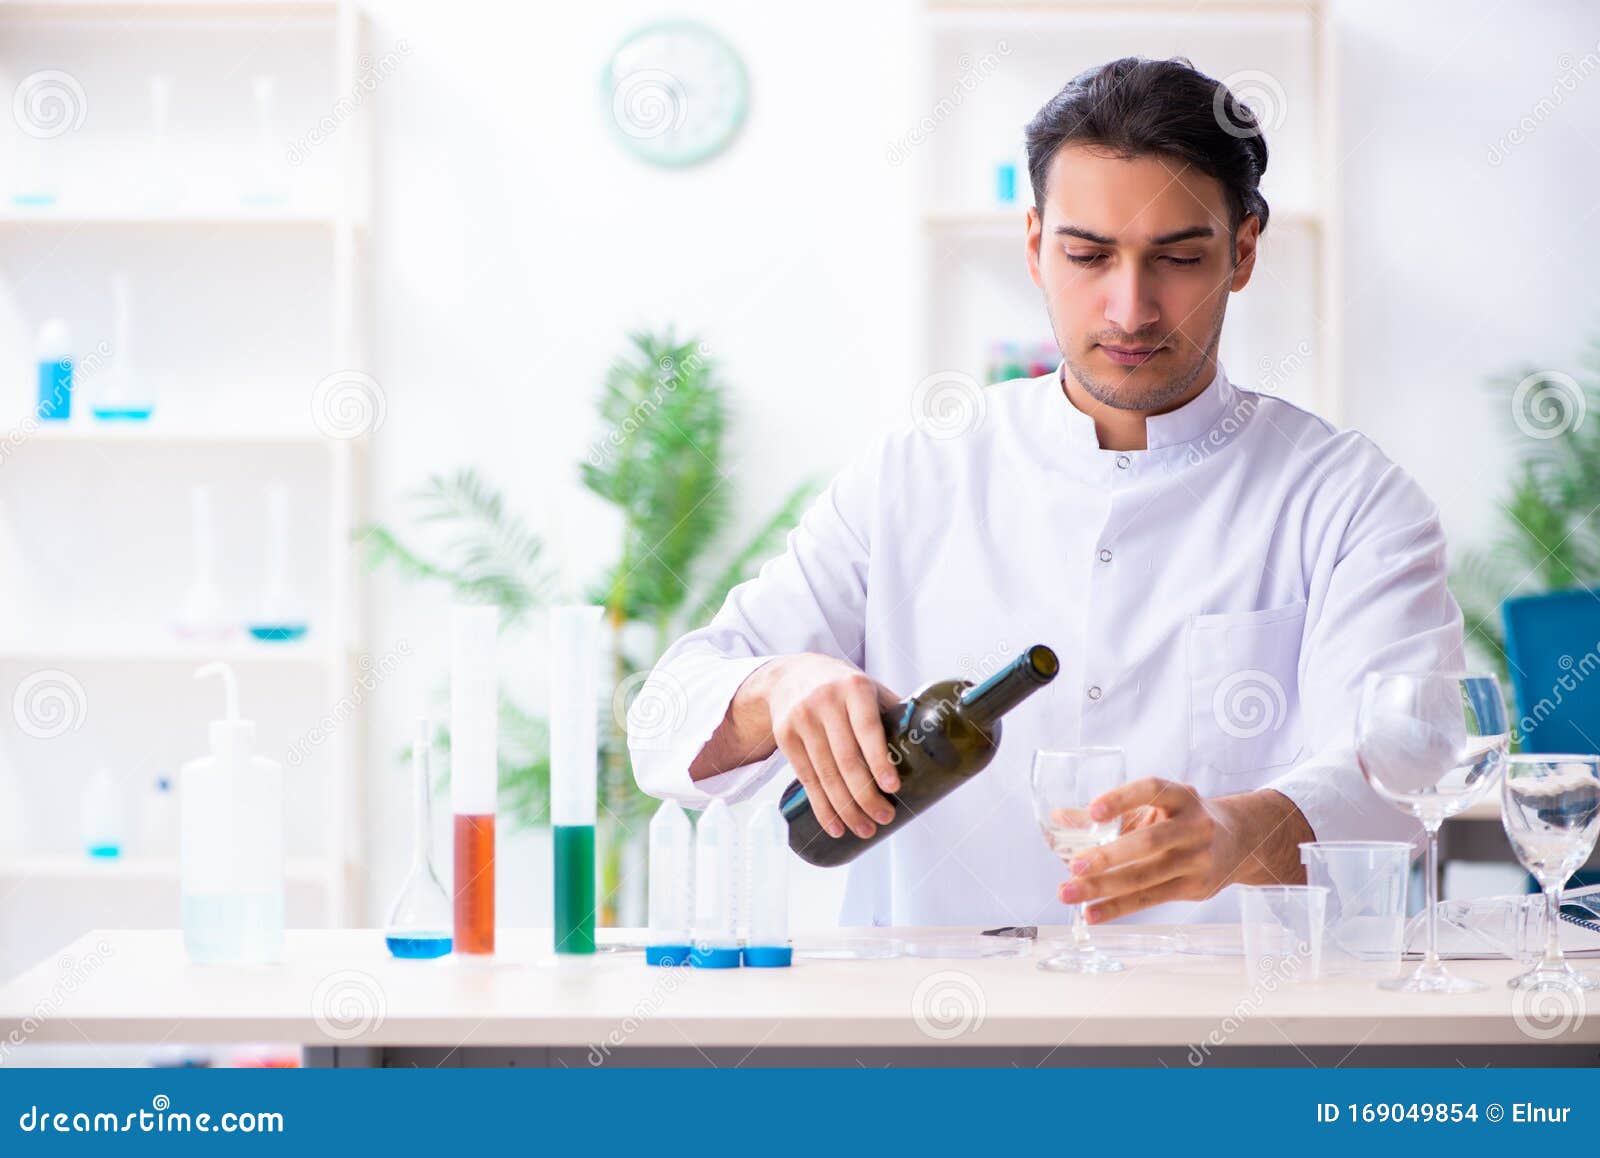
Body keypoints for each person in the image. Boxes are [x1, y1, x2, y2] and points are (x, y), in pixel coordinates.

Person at [628, 56, 1458, 927]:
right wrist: (779, 687)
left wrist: (1233, 832)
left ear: (1244, 249)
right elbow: (662, 725)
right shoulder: (913, 475)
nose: (1130, 309)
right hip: (926, 1037)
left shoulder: (1351, 500)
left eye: (1177, 257)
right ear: (1033, 245)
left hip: (1223, 1039)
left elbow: (1402, 772)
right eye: (1088, 255)